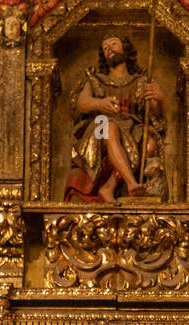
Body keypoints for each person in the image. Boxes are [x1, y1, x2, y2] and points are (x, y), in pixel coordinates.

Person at [65, 34, 167, 202]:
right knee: (109, 126)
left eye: (113, 44)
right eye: (105, 48)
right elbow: (82, 103)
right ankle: (131, 184)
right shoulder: (95, 80)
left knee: (149, 144)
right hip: (98, 129)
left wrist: (160, 97)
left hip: (130, 129)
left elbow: (156, 112)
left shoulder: (140, 81)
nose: (109, 49)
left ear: (125, 49)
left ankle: (109, 187)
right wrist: (99, 103)